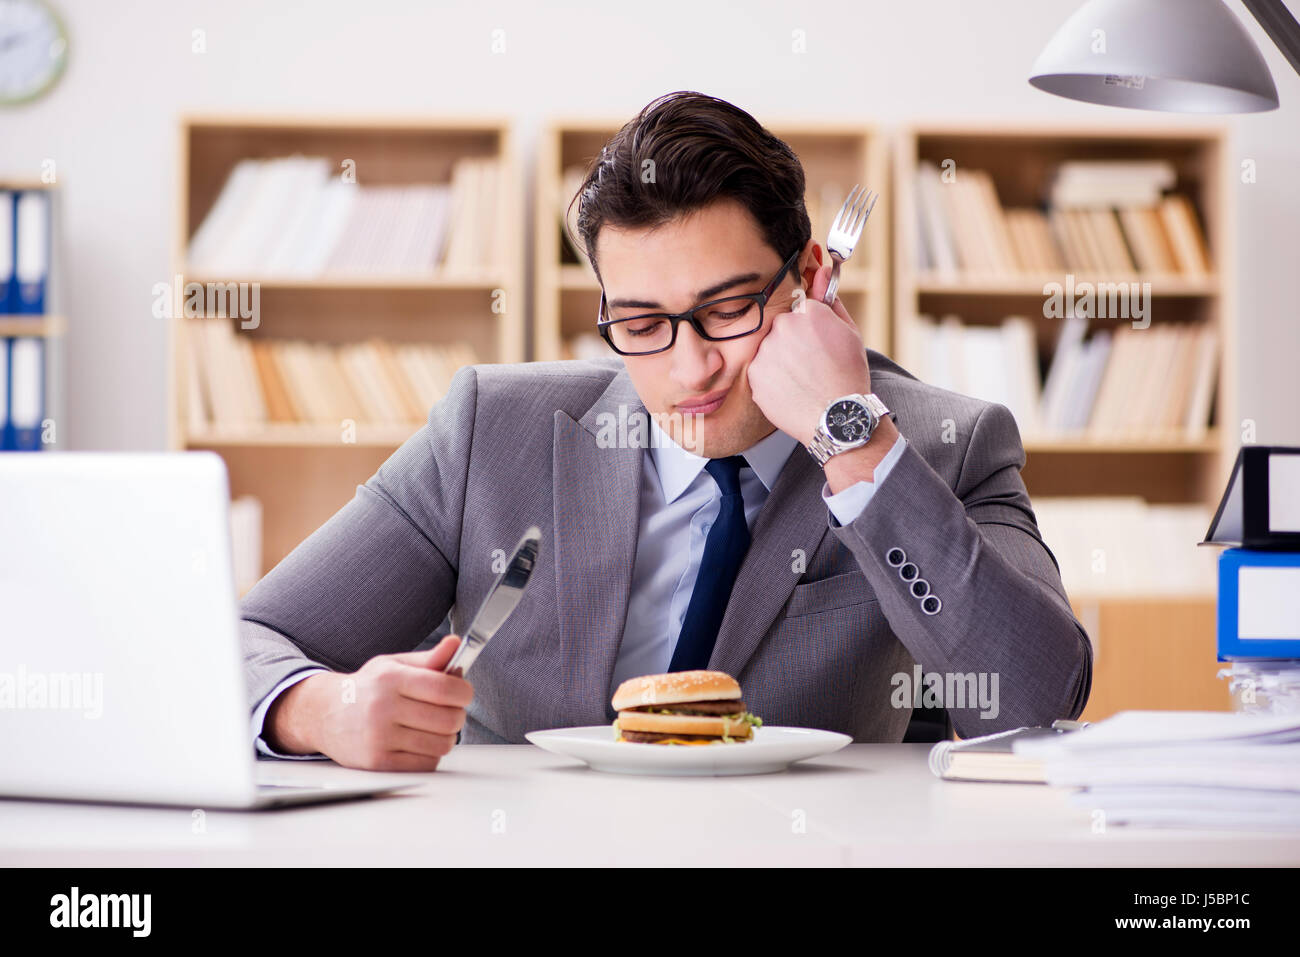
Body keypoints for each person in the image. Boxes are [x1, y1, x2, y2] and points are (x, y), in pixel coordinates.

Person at [242, 90, 1092, 771]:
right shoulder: (488, 433)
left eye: (727, 310)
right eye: (643, 323)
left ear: (810, 280)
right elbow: (245, 640)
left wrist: (855, 444)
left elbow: (1036, 701)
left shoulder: (945, 445)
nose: (690, 371)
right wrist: (323, 709)